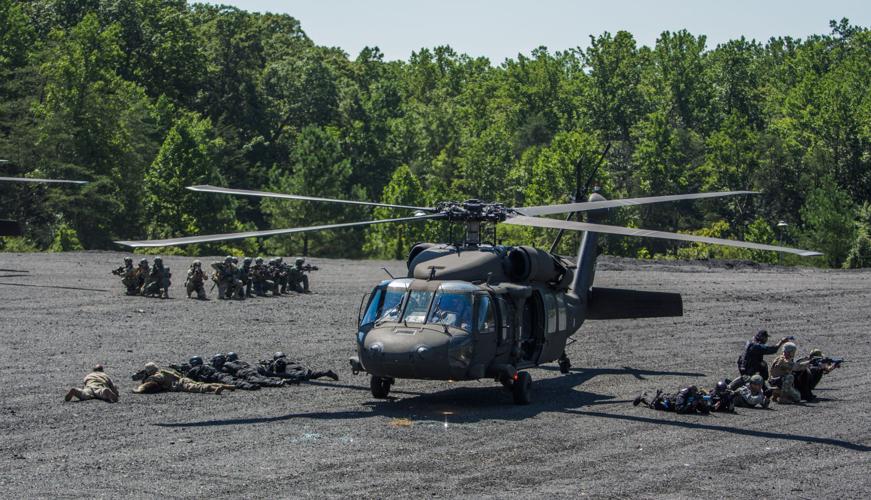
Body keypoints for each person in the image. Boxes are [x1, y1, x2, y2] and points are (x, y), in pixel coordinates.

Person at [728, 330, 793, 390]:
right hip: (748, 367)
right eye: (766, 337)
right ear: (762, 337)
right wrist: (781, 341)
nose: (767, 339)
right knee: (762, 366)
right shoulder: (757, 346)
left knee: (762, 364)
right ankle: (758, 385)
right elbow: (773, 350)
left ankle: (761, 385)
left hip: (742, 365)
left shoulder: (751, 341)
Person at [132, 362, 233, 394]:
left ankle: (216, 389)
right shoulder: (164, 371)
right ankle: (226, 386)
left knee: (197, 388)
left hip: (180, 384)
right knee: (199, 384)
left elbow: (154, 381)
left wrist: (140, 387)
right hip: (183, 379)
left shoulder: (158, 375)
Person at [171, 356, 259, 390]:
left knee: (234, 382)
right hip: (219, 375)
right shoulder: (205, 366)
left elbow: (188, 378)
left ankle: (250, 386)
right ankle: (251, 385)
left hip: (216, 377)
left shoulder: (195, 369)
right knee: (235, 380)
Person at [211, 353, 286, 388]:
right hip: (249, 370)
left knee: (258, 380)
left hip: (244, 373)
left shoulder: (226, 365)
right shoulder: (237, 362)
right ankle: (277, 381)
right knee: (261, 378)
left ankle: (276, 383)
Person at [258, 351, 339, 383]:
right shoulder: (289, 360)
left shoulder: (279, 361)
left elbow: (272, 371)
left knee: (288, 379)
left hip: (295, 373)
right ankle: (326, 372)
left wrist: (268, 367)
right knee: (313, 374)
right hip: (304, 370)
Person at [633, 385, 711, 414]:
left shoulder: (694, 397)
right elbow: (679, 410)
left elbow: (706, 411)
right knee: (654, 405)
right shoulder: (681, 396)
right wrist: (690, 404)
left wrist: (702, 402)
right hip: (668, 403)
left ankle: (648, 394)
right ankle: (643, 396)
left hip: (672, 400)